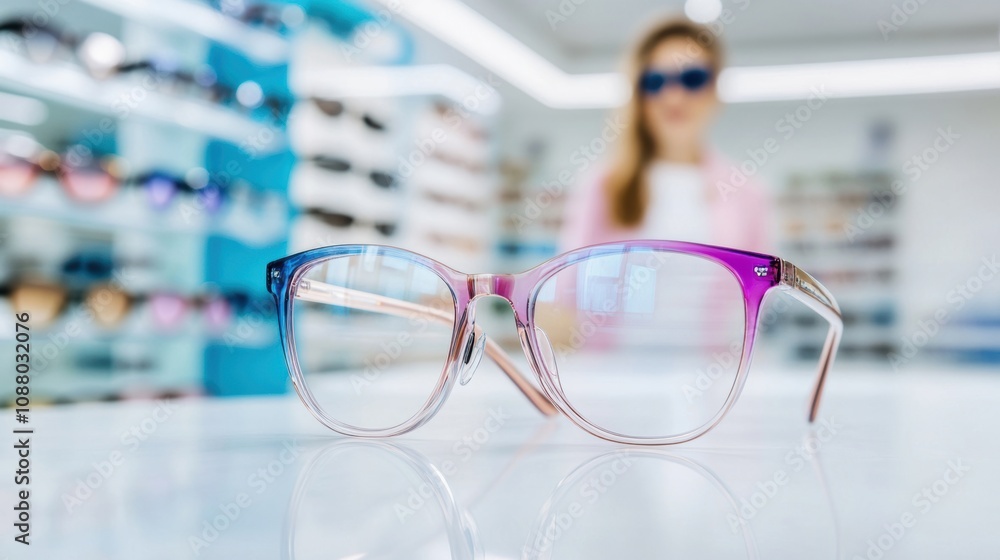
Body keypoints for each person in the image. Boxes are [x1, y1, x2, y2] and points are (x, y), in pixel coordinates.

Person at [561, 18, 770, 252]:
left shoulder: (748, 192)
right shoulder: (603, 185)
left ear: (715, 90)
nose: (673, 97)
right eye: (655, 81)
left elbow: (762, 285)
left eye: (692, 78)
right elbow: (568, 282)